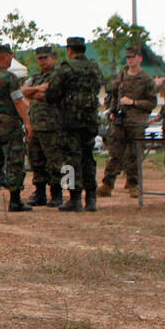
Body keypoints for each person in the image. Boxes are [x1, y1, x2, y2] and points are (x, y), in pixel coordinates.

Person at [35, 37, 101, 212]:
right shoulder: (95, 68)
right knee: (88, 158)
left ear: (69, 50)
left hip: (69, 122)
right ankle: (91, 198)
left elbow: (52, 95)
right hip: (90, 121)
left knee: (69, 161)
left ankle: (74, 198)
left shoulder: (66, 69)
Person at [98, 45, 157, 199]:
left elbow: (151, 103)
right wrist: (111, 110)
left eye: (133, 57)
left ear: (140, 58)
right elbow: (113, 97)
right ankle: (107, 184)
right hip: (120, 122)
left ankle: (133, 184)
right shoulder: (121, 77)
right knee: (114, 154)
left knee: (134, 155)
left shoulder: (146, 80)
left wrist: (133, 102)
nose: (130, 60)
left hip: (137, 122)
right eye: (128, 57)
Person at [0, 43, 32, 212]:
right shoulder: (10, 78)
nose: (12, 58)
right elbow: (18, 101)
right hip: (10, 125)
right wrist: (27, 122)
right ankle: (14, 200)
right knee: (14, 161)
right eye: (10, 55)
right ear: (5, 56)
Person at [21, 44, 63, 207]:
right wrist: (38, 90)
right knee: (36, 160)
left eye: (45, 58)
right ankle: (40, 193)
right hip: (36, 124)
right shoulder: (36, 77)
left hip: (53, 125)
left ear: (53, 58)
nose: (42, 61)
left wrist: (34, 92)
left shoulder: (58, 76)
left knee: (55, 161)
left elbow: (50, 94)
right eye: (39, 58)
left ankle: (57, 193)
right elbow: (23, 92)